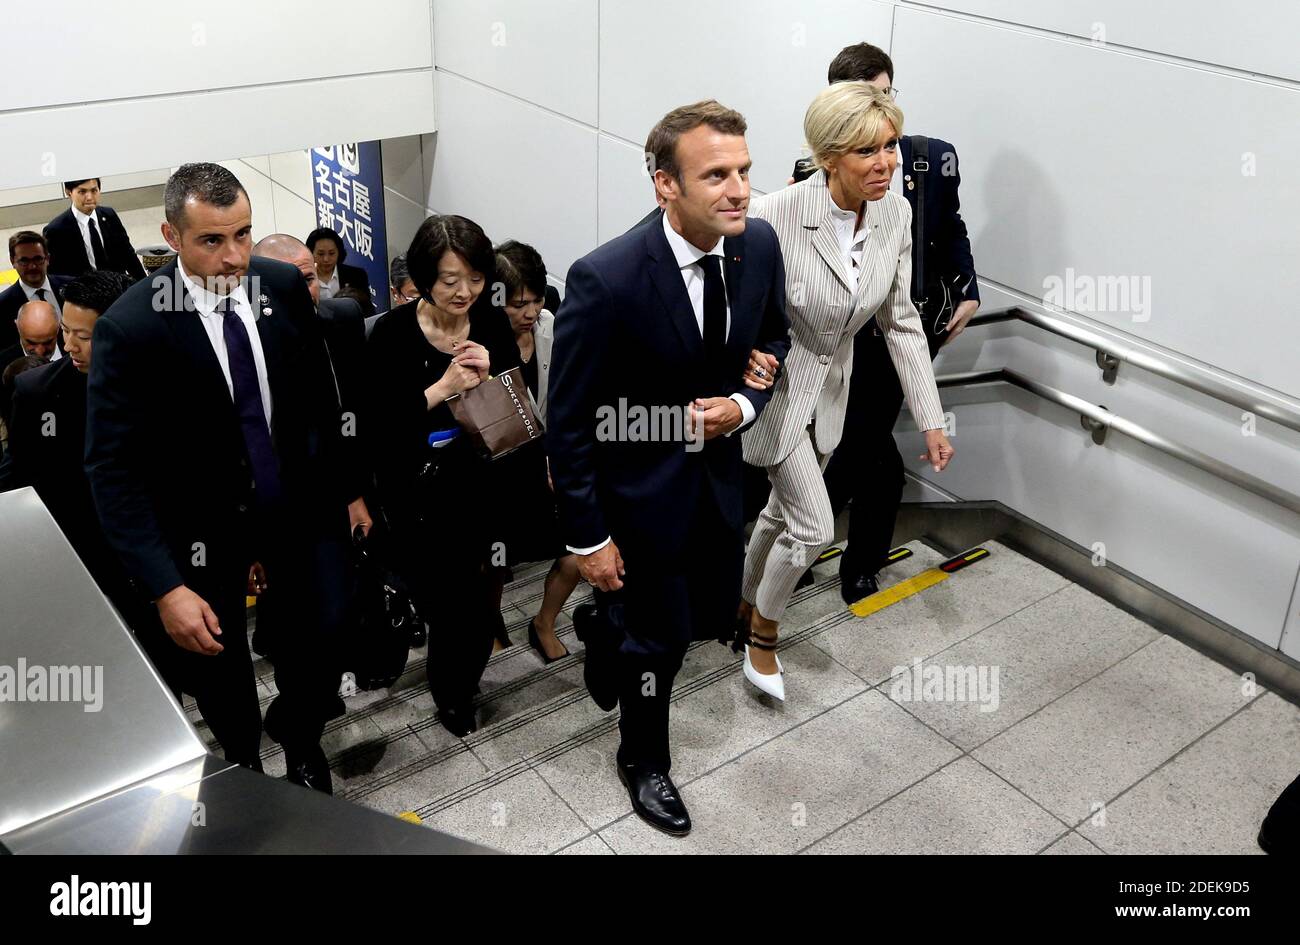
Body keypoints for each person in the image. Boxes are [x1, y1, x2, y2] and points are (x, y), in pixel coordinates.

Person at [548, 100, 790, 835]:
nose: (739, 189)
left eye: (745, 171)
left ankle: (606, 632)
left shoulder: (759, 246)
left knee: (703, 622)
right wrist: (589, 540)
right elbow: (570, 422)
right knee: (660, 643)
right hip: (639, 499)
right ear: (665, 186)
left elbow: (772, 339)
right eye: (716, 174)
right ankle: (643, 758)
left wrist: (745, 405)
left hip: (719, 488)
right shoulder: (607, 278)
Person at [85, 163, 365, 793]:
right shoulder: (131, 329)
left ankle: (300, 737)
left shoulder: (283, 288)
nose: (234, 255)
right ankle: (247, 769)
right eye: (213, 240)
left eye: (242, 234)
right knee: (220, 668)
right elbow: (112, 470)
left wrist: (347, 488)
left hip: (295, 508)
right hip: (200, 530)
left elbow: (321, 401)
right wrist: (164, 587)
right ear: (171, 235)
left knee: (324, 630)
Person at [739, 82, 953, 701]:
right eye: (867, 151)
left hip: (833, 390)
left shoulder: (896, 212)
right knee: (811, 528)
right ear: (830, 156)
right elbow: (739, 305)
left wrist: (931, 419)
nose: (886, 163)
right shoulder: (773, 215)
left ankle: (744, 603)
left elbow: (902, 321)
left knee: (779, 515)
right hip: (776, 391)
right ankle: (763, 635)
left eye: (890, 146)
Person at [810, 43, 980, 602]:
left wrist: (967, 289)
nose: (878, 110)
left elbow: (951, 226)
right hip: (838, 331)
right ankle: (811, 542)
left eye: (885, 94)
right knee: (861, 446)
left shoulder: (931, 158)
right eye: (862, 99)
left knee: (860, 441)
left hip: (901, 327)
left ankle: (834, 550)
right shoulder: (813, 172)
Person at [363, 214, 519, 737]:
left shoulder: (492, 321)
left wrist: (491, 375)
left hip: (482, 487)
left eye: (475, 279)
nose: (464, 292)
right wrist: (440, 388)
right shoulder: (390, 334)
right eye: (450, 280)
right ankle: (450, 694)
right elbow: (376, 429)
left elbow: (512, 405)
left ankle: (460, 682)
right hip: (420, 500)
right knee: (448, 609)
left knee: (480, 608)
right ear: (425, 276)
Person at [0, 271, 145, 626]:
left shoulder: (163, 381)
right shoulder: (37, 392)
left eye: (83, 336)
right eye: (65, 331)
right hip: (84, 563)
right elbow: (17, 474)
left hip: (159, 560)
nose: (68, 346)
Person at [493, 239, 577, 662]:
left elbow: (563, 403)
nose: (529, 313)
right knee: (493, 559)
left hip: (546, 461)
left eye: (537, 300)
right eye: (517, 303)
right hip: (496, 469)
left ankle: (543, 621)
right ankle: (489, 621)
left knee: (578, 549)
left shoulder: (550, 326)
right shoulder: (480, 337)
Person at [43, 178, 147, 280]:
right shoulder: (56, 230)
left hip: (118, 287)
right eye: (82, 191)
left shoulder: (109, 215)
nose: (89, 197)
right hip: (83, 292)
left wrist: (145, 286)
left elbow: (128, 255)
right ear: (68, 192)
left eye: (94, 190)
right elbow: (55, 274)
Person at [0, 232, 72, 348]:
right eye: (24, 261)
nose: (32, 266)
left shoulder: (72, 287)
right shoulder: (3, 306)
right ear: (13, 261)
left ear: (47, 258)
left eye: (38, 259)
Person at [0, 301, 64, 427]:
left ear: (58, 327)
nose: (40, 351)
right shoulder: (2, 364)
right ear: (17, 327)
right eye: (31, 342)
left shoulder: (76, 353)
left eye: (48, 342)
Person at [307, 226, 374, 314]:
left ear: (339, 252)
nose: (326, 259)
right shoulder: (305, 279)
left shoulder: (356, 275)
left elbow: (367, 309)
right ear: (311, 253)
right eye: (320, 254)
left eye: (331, 253)